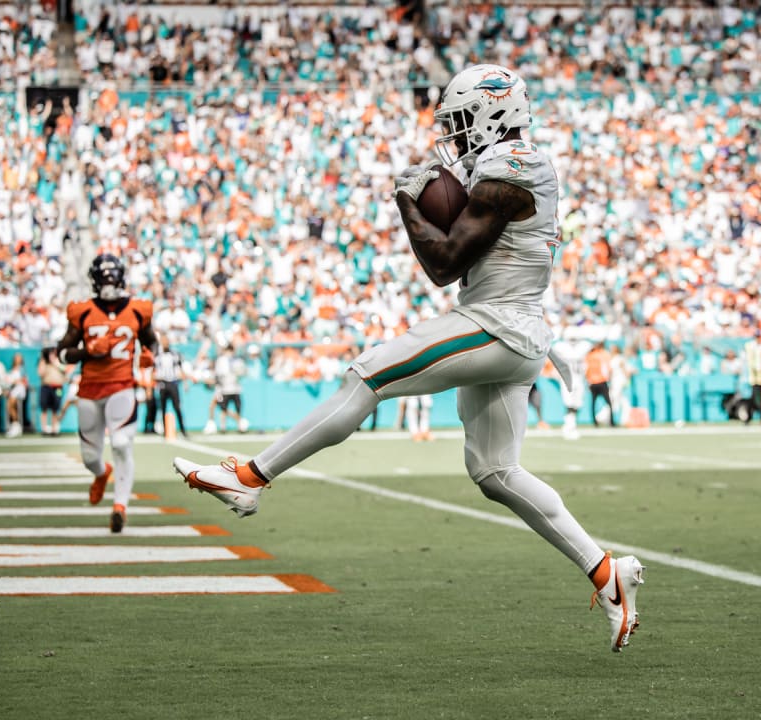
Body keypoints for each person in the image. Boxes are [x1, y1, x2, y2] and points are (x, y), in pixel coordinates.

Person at [172, 64, 644, 653]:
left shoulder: (515, 165)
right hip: (510, 329)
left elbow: (444, 264)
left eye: (463, 120)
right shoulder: (506, 168)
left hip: (497, 326)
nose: (456, 133)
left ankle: (249, 478)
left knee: (368, 373)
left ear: (494, 113)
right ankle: (607, 574)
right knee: (497, 473)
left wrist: (407, 203)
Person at [54, 254, 158, 533]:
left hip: (122, 385)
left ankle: (120, 506)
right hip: (89, 389)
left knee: (122, 443)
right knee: (90, 458)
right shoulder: (82, 310)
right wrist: (87, 351)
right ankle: (102, 474)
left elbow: (152, 342)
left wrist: (150, 356)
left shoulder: (138, 309)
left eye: (113, 277)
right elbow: (62, 352)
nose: (109, 282)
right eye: (105, 277)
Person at [153, 337, 189, 437]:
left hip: (173, 383)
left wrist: (185, 383)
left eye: (167, 342)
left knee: (177, 407)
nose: (165, 344)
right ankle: (165, 431)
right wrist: (154, 382)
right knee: (163, 408)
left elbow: (180, 368)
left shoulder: (174, 354)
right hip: (162, 383)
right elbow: (153, 370)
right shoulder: (157, 355)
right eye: (164, 342)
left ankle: (183, 430)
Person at [37, 347, 68, 436]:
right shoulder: (44, 362)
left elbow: (65, 370)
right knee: (44, 408)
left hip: (58, 388)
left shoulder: (59, 361)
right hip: (46, 387)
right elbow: (40, 373)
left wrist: (55, 362)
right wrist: (44, 360)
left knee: (55, 409)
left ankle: (55, 428)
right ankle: (45, 429)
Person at [5, 353, 27, 437]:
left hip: (19, 389)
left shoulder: (22, 369)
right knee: (9, 406)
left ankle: (16, 425)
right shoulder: (12, 369)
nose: (18, 359)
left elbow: (22, 380)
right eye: (16, 358)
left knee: (11, 405)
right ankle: (15, 425)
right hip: (13, 389)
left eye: (19, 358)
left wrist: (13, 381)